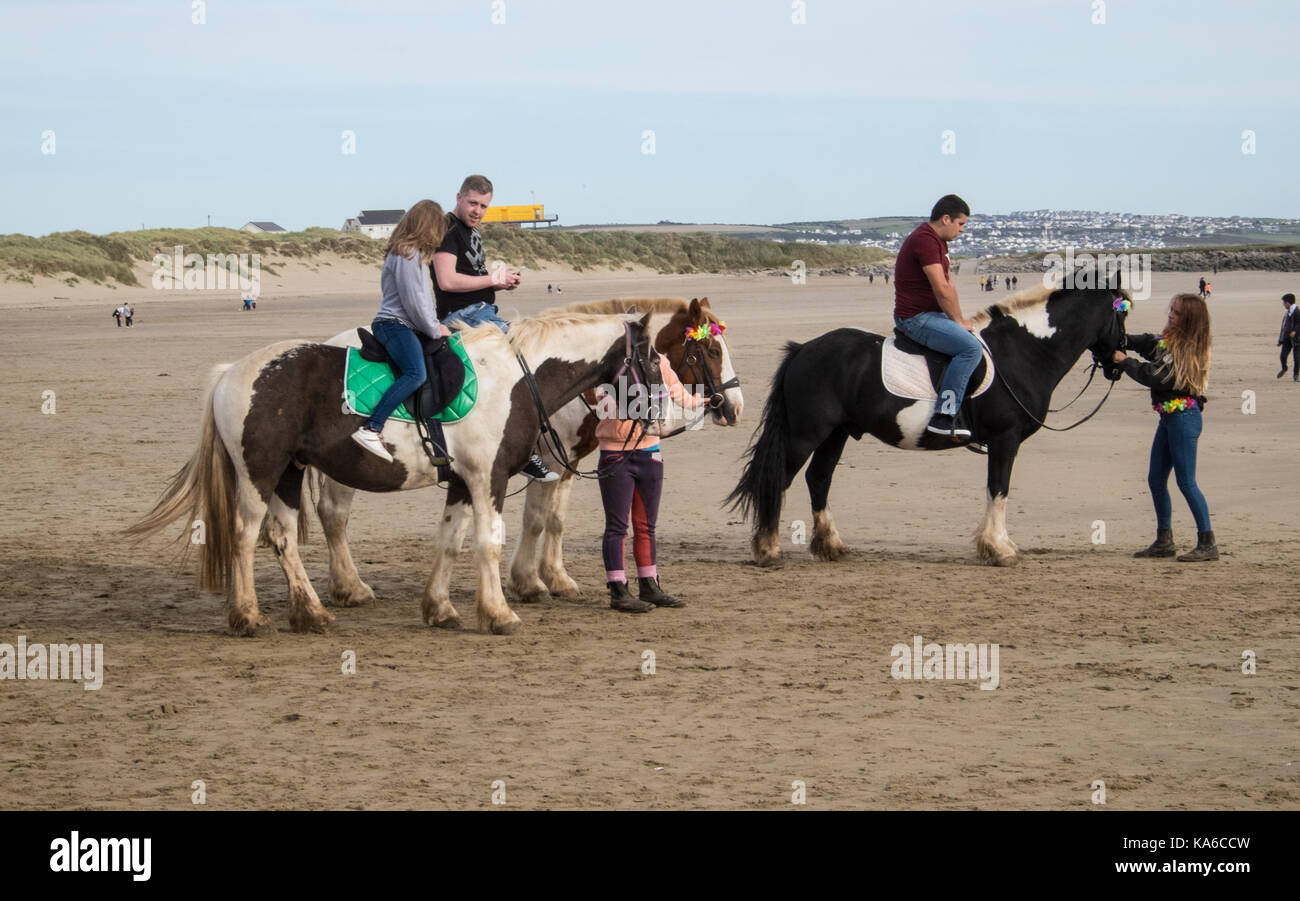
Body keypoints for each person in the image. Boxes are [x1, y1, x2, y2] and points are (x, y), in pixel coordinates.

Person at [433, 176, 556, 481]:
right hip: (463, 316)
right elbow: (446, 281)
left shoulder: (471, 233)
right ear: (459, 196)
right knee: (523, 370)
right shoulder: (447, 230)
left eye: (484, 206)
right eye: (472, 203)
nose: (477, 210)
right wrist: (492, 280)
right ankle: (523, 452)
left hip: (482, 311)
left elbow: (472, 281)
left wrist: (501, 282)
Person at [1111, 293, 1218, 562]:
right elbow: (1150, 344)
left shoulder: (1187, 349)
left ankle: (1207, 542)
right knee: (1156, 479)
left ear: (1189, 320)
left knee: (1186, 482)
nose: (1171, 315)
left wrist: (1125, 362)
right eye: (1171, 310)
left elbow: (1157, 377)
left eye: (1177, 313)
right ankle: (1164, 540)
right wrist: (1123, 340)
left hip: (1184, 418)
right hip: (1170, 418)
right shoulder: (1170, 342)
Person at [594, 354, 704, 613]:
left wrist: (701, 402)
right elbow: (602, 401)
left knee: (646, 526)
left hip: (650, 454)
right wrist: (644, 406)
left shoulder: (660, 362)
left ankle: (649, 584)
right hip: (616, 454)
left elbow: (676, 390)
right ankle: (618, 589)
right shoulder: (609, 361)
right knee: (618, 527)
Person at [352, 199, 453, 464]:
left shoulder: (411, 254)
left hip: (403, 323)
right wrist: (434, 329)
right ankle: (372, 428)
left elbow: (422, 300)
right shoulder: (408, 254)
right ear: (428, 226)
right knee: (415, 373)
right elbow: (415, 301)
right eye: (438, 228)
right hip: (394, 325)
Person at [893, 194, 980, 439]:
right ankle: (943, 417)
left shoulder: (939, 243)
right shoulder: (925, 241)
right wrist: (958, 323)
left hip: (932, 314)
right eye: (960, 224)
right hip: (915, 318)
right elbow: (941, 289)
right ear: (946, 218)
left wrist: (959, 321)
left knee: (976, 337)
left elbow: (949, 287)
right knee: (970, 349)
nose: (962, 230)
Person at [1278, 293, 1299, 381]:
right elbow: (1284, 326)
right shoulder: (1287, 313)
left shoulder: (1297, 312)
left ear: (1288, 303)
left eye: (1284, 303)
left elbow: (1299, 323)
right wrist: (1280, 340)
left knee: (1297, 358)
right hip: (1287, 338)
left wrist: (1295, 331)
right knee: (1283, 355)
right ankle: (1284, 368)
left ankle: (1296, 375)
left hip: (1297, 339)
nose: (1283, 305)